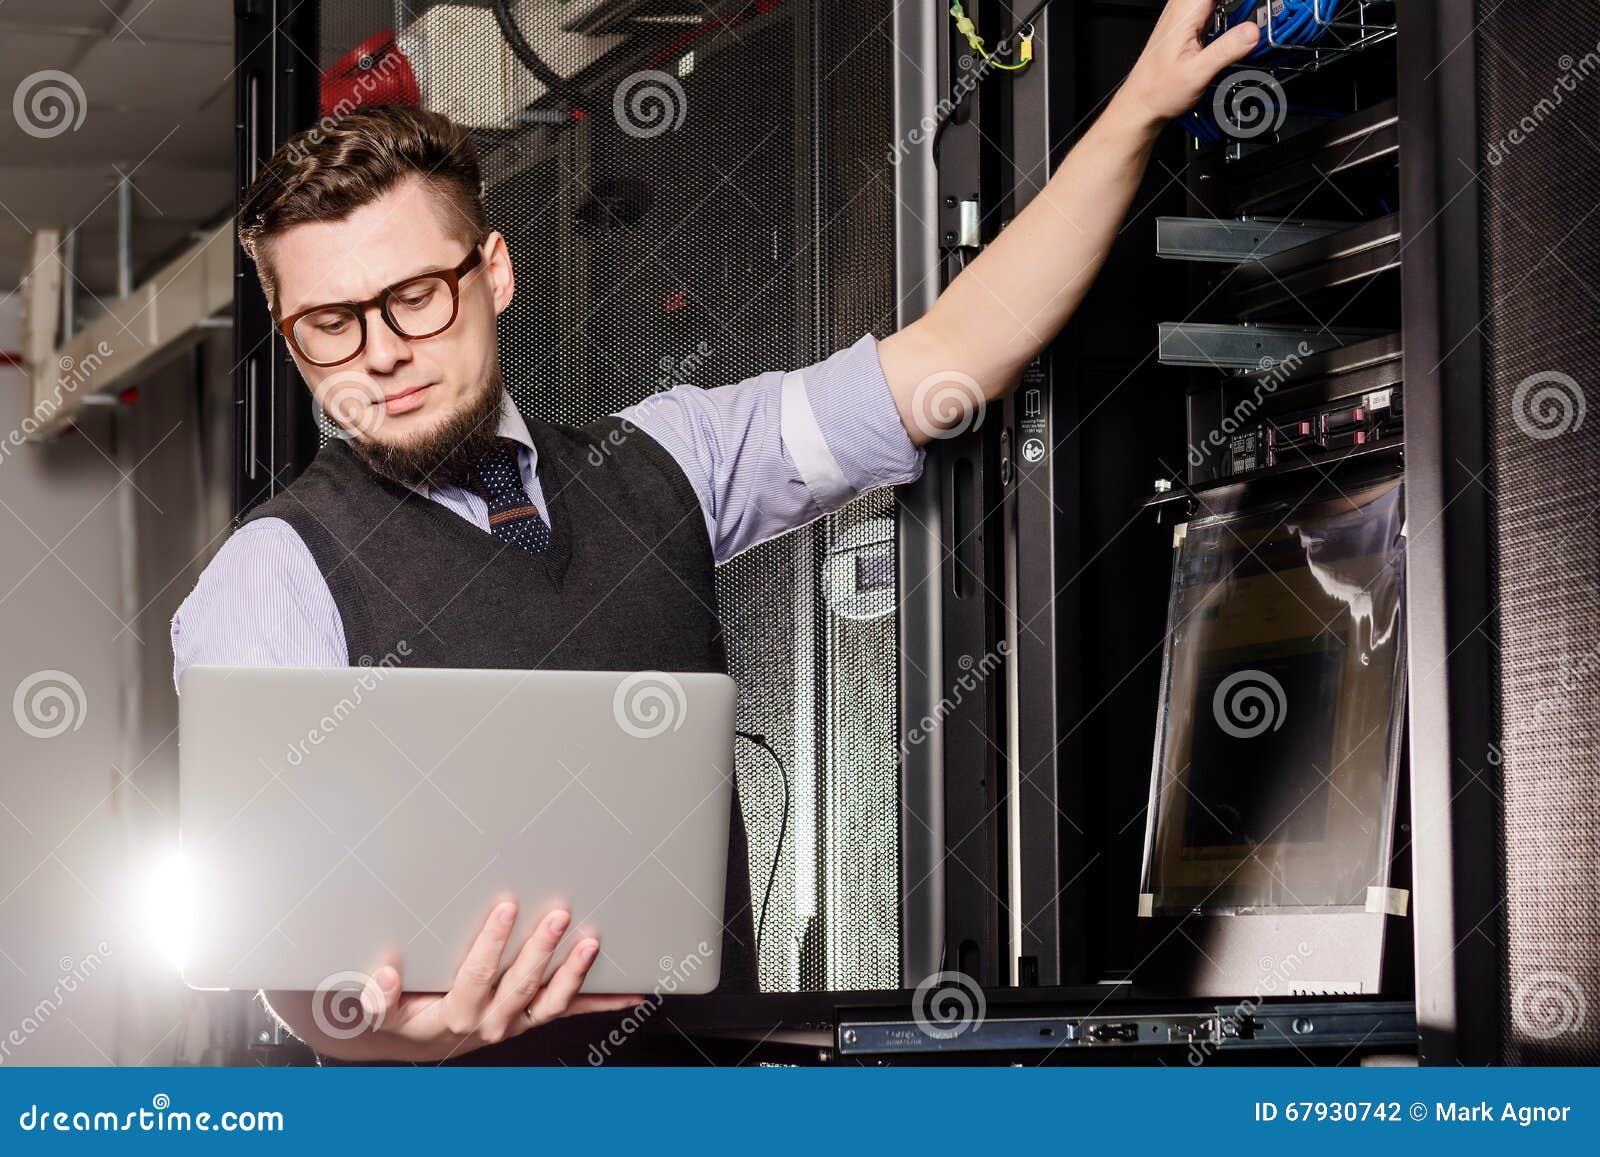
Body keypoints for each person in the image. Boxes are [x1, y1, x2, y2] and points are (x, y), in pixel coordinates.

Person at [172, 0, 1260, 1063]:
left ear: (494, 271)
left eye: (416, 296)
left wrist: (1137, 109)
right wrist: (387, 1033)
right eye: (330, 322)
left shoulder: (671, 457)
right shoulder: (272, 573)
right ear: (289, 333)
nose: (380, 352)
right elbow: (284, 943)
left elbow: (952, 358)